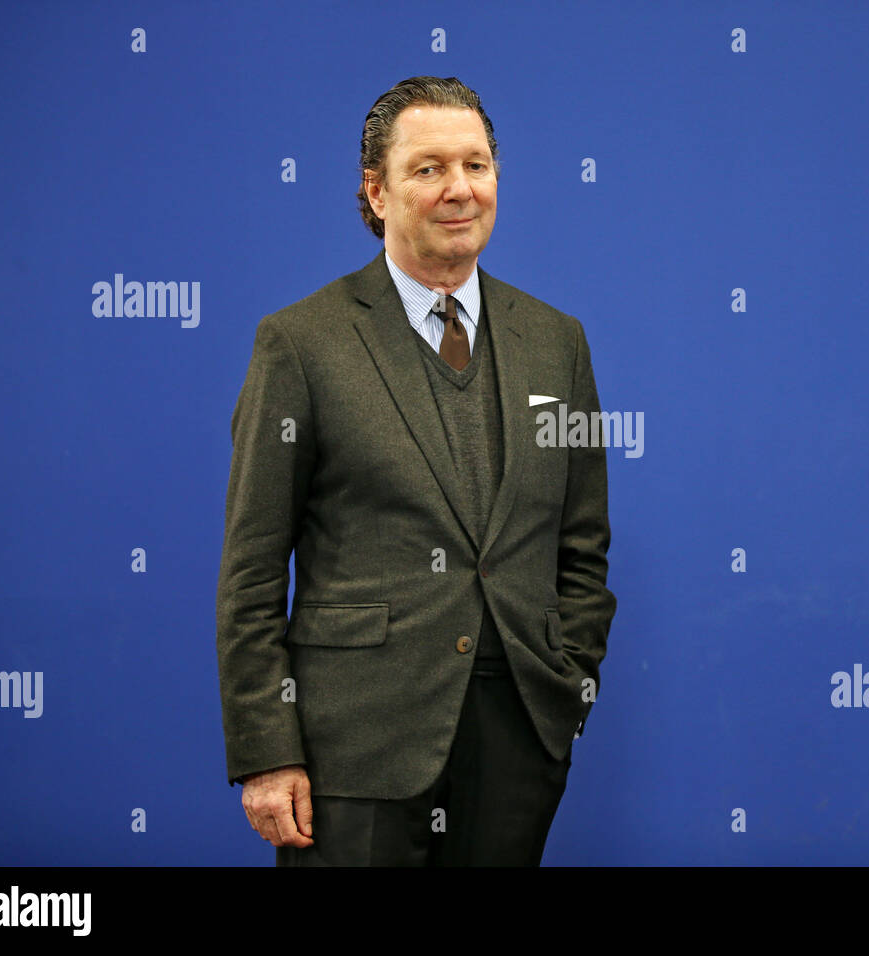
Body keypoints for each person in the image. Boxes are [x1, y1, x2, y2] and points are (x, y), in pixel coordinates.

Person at [215, 75, 615, 866]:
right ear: (376, 192)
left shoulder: (557, 341)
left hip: (515, 742)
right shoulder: (300, 343)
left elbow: (583, 543)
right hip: (353, 749)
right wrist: (267, 748)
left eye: (476, 165)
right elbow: (253, 569)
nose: (459, 189)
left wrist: (564, 688)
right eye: (428, 169)